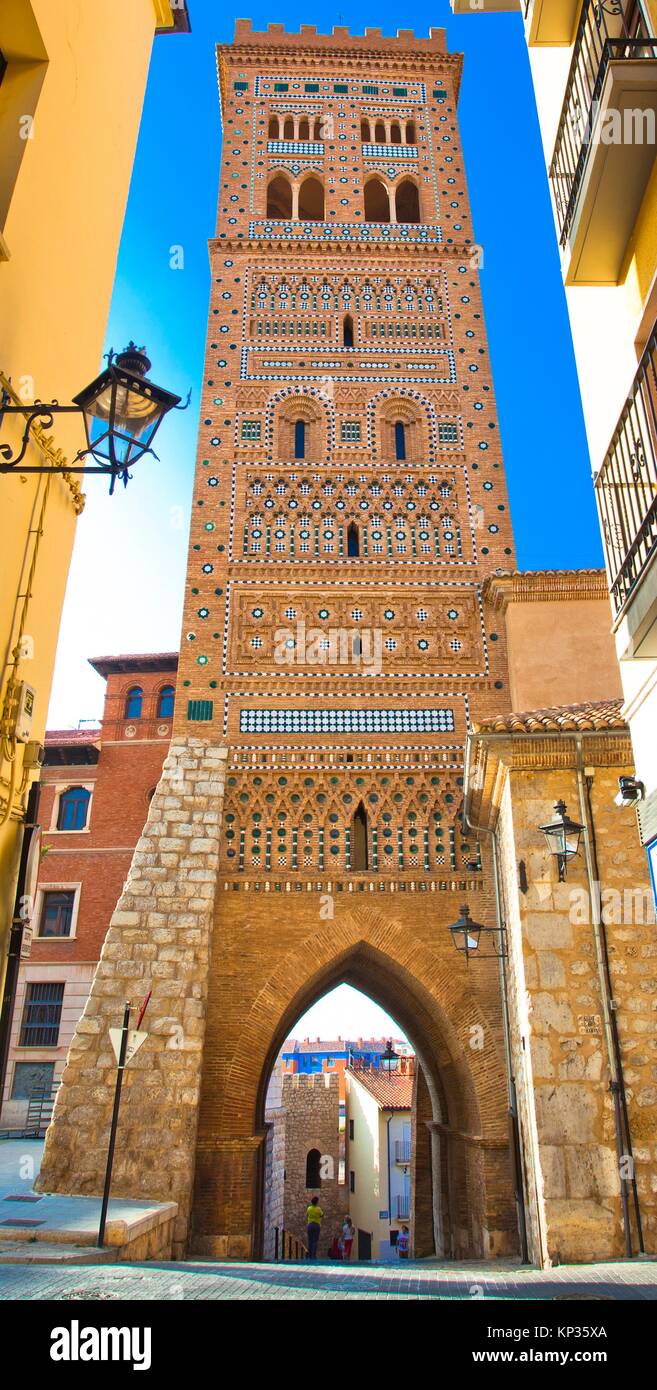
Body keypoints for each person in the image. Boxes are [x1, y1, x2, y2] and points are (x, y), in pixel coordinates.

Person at [306, 1195, 324, 1259]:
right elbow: (322, 1215)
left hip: (310, 1225)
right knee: (315, 1241)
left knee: (310, 1240)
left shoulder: (309, 1208)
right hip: (316, 1225)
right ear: (317, 1202)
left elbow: (307, 1215)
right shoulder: (318, 1209)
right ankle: (314, 1255)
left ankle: (309, 1254)